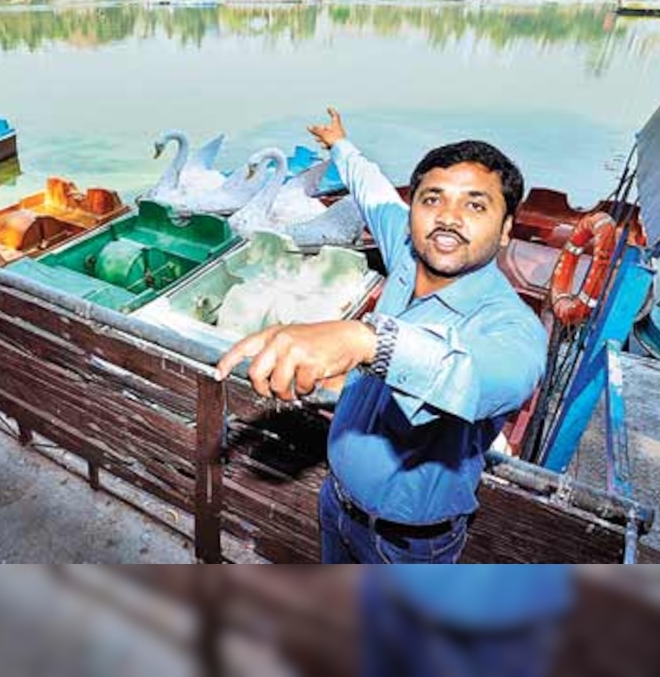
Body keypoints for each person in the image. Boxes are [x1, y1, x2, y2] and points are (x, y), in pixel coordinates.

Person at [216, 108, 548, 564]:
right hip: (336, 505)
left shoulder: (513, 328)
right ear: (413, 210)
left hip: (411, 545)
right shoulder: (408, 254)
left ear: (507, 228)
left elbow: (488, 377)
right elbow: (372, 192)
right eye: (432, 199)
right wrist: (340, 145)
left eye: (475, 204)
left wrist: (367, 341)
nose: (448, 218)